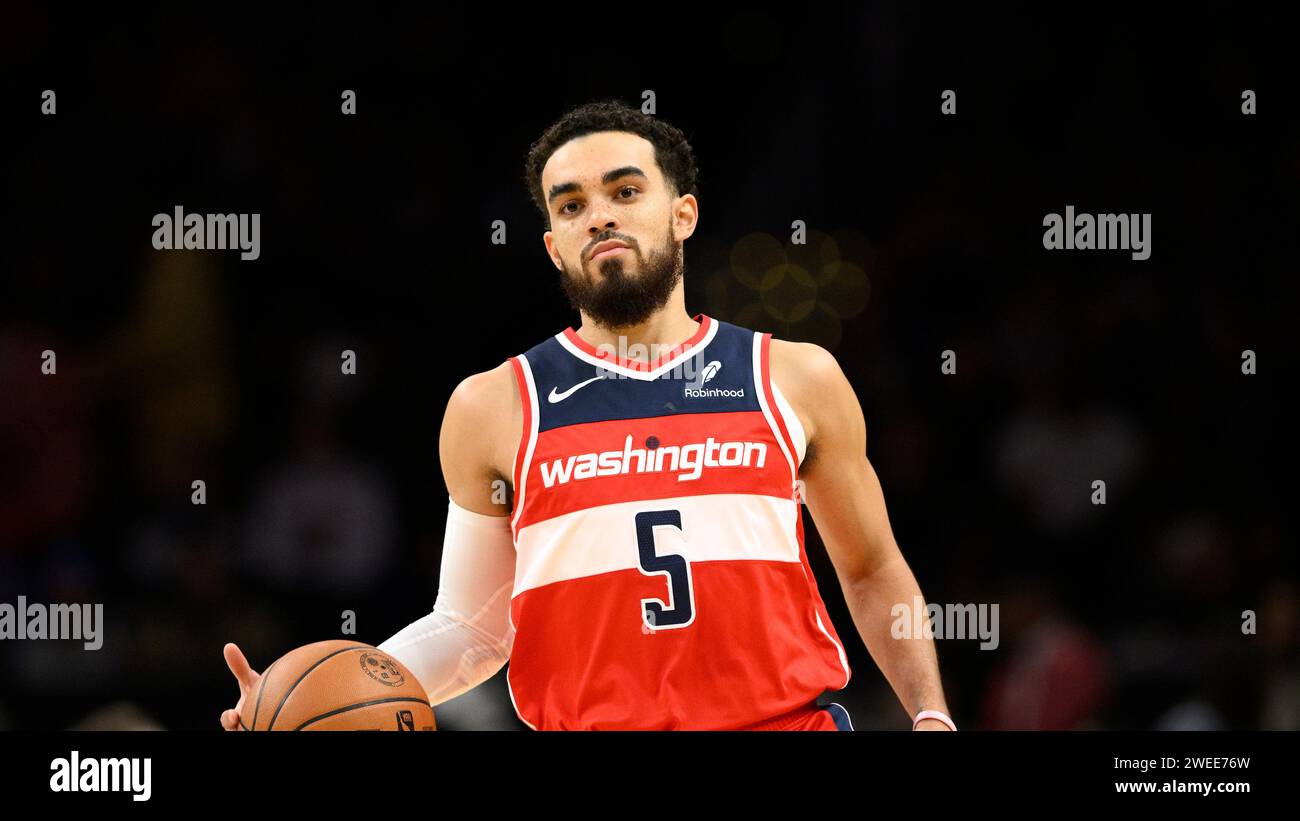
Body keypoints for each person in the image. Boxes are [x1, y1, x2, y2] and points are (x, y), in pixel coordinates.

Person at [222, 100, 955, 731]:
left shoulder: (793, 376)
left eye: (624, 191)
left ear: (683, 212)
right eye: (570, 205)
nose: (598, 214)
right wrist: (305, 697)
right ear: (552, 245)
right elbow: (473, 628)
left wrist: (930, 711)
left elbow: (871, 569)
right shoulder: (494, 405)